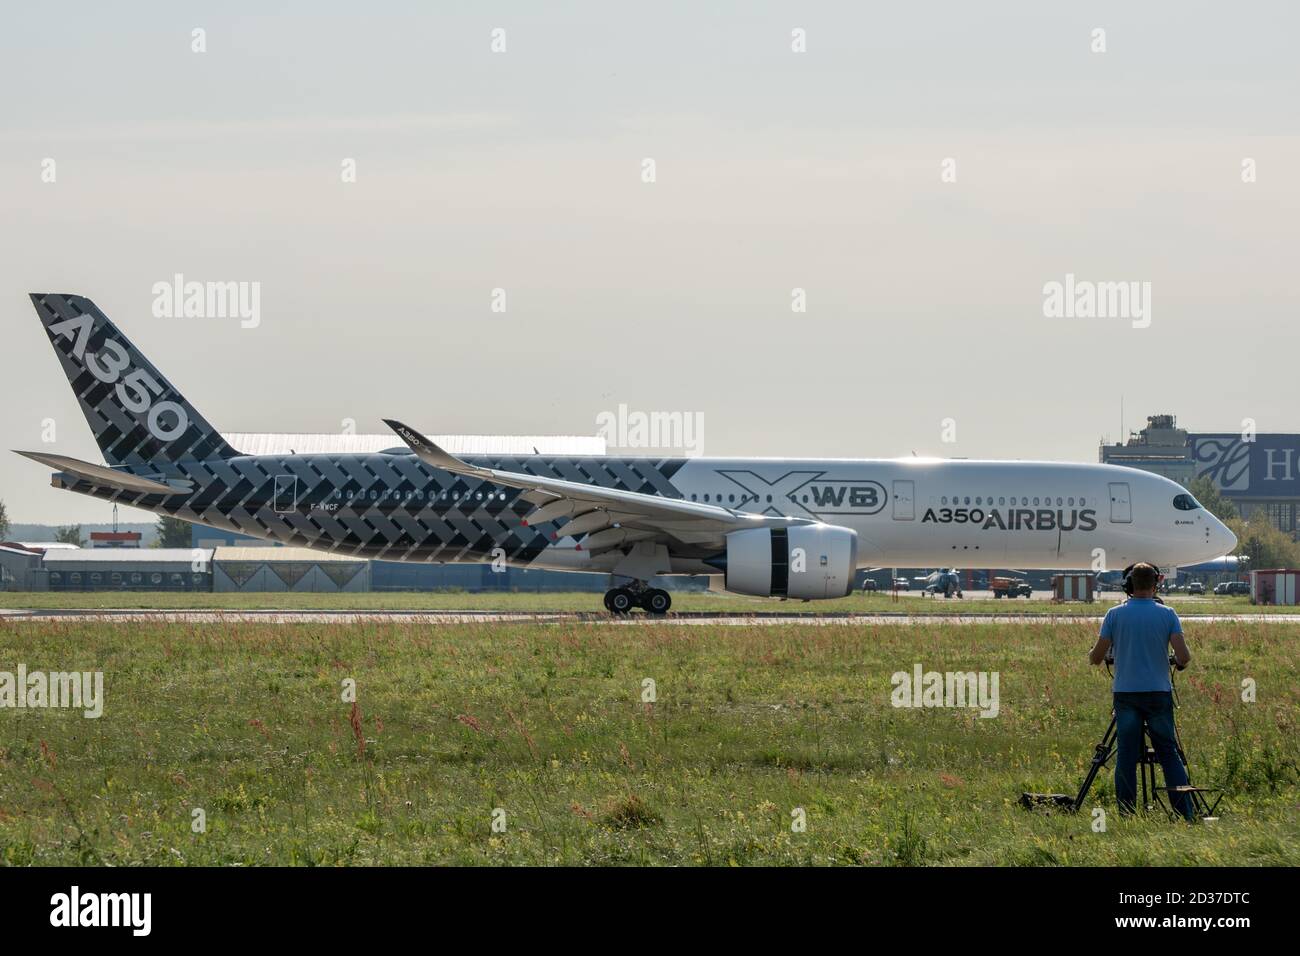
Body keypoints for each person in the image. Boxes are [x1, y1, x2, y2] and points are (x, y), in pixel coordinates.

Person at [1088, 562, 1194, 820]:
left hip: (1126, 694)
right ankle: (1184, 813)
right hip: (1158, 693)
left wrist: (1096, 653)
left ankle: (1127, 814)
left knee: (1126, 753)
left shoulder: (1114, 615)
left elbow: (1096, 657)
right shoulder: (1168, 614)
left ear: (1129, 585)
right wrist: (1176, 662)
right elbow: (1184, 656)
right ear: (1156, 584)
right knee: (1168, 753)